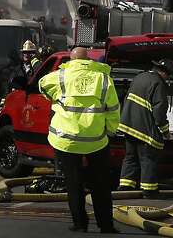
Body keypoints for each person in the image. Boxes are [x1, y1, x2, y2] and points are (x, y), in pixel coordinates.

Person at [39, 47, 120, 233]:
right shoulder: (103, 79)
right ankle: (106, 225)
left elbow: (42, 84)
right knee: (101, 184)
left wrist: (54, 97)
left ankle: (80, 224)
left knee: (73, 183)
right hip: (96, 140)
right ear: (89, 60)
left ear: (71, 59)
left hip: (66, 140)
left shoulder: (60, 76)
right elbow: (113, 109)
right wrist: (111, 130)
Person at [117, 58, 173, 194]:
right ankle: (149, 190)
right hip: (144, 129)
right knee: (148, 159)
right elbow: (159, 111)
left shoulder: (140, 77)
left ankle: (126, 186)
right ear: (164, 73)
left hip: (128, 126)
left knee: (130, 157)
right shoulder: (158, 83)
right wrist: (165, 131)